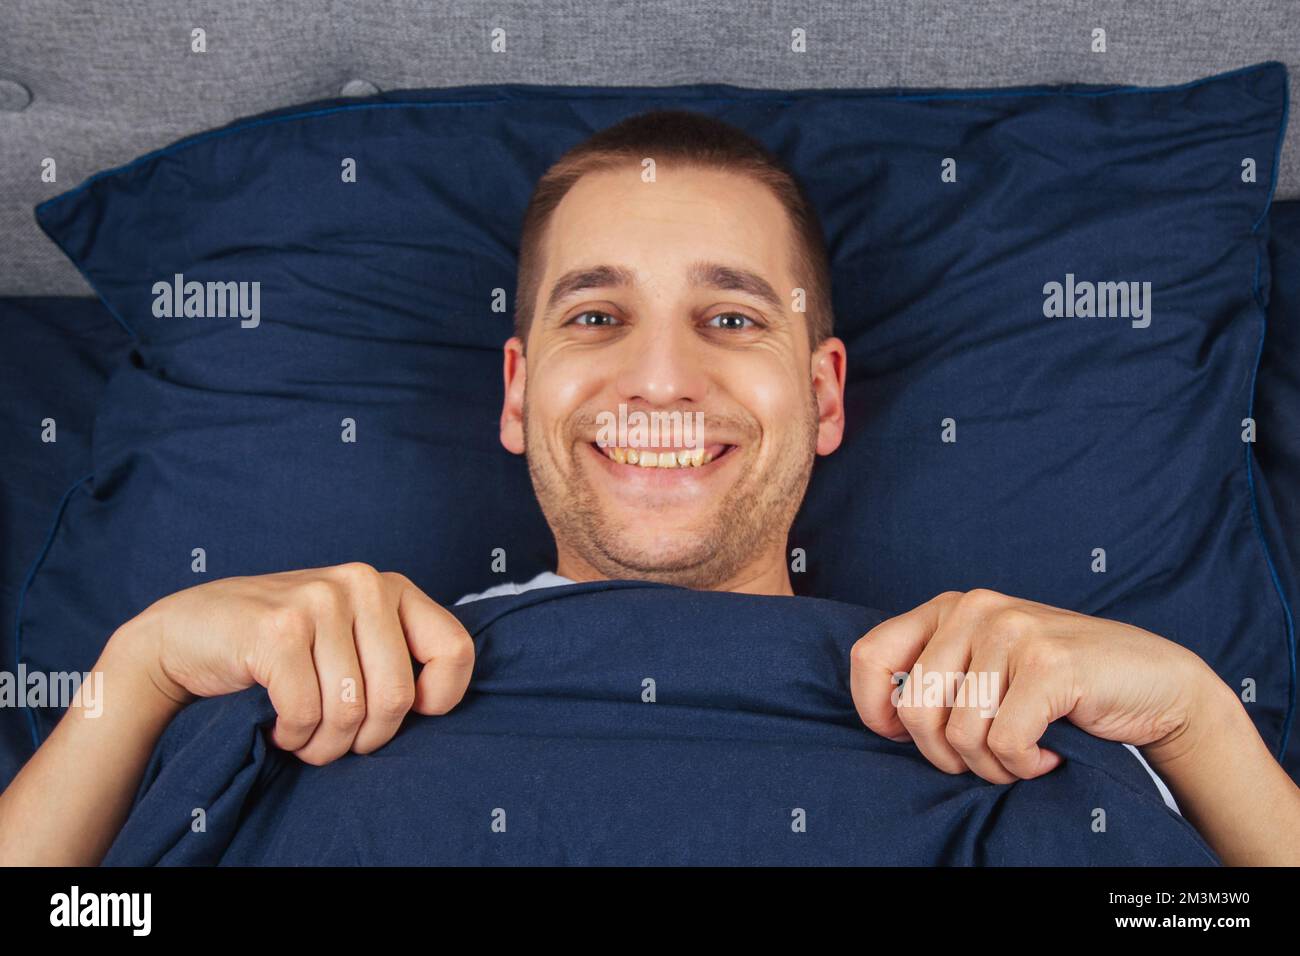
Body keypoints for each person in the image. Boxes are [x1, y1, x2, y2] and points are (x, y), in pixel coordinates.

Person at [2, 110, 1297, 866]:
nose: (662, 379)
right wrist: (150, 663)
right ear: (517, 393)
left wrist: (1194, 718)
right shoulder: (302, 685)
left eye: (732, 321)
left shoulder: (1032, 703)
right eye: (597, 315)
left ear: (826, 393)